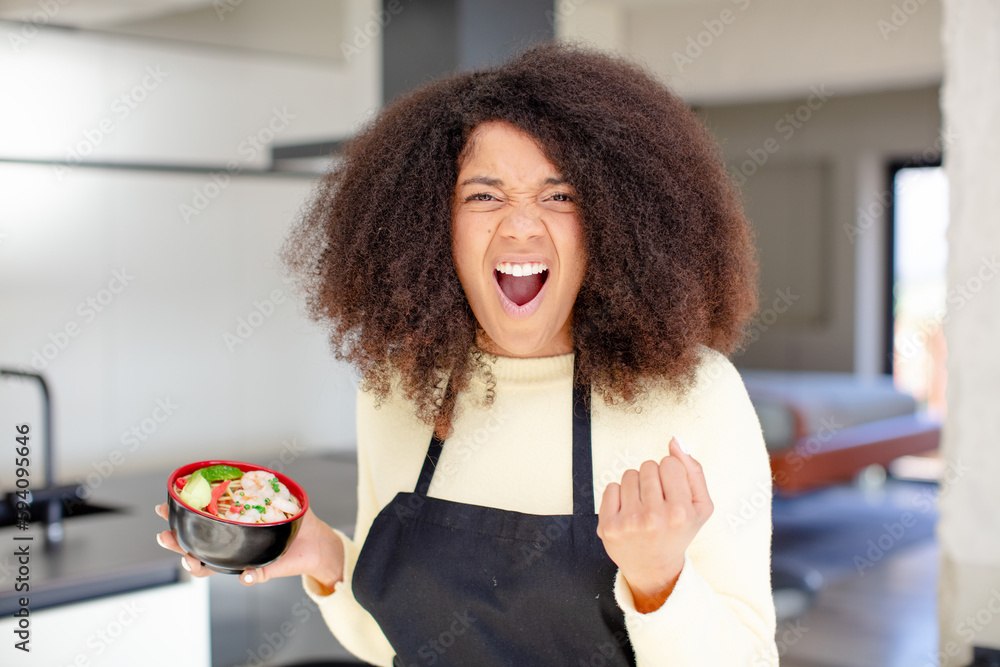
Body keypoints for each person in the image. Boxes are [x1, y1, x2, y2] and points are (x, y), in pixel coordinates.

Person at [156, 42, 778, 666]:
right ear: (432, 224)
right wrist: (323, 556)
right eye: (484, 196)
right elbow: (387, 637)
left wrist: (661, 582)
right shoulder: (398, 389)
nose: (521, 225)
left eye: (560, 196)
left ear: (615, 222)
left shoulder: (693, 396)